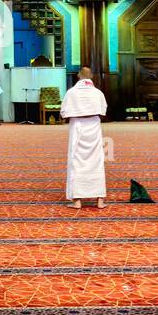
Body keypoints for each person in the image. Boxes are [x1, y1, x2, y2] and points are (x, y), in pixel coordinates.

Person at [60, 66, 108, 209]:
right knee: (96, 160)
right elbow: (103, 109)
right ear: (91, 76)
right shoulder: (98, 92)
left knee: (76, 161)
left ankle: (77, 201)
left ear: (78, 76)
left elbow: (63, 112)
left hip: (78, 127)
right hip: (93, 127)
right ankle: (100, 200)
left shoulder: (71, 92)